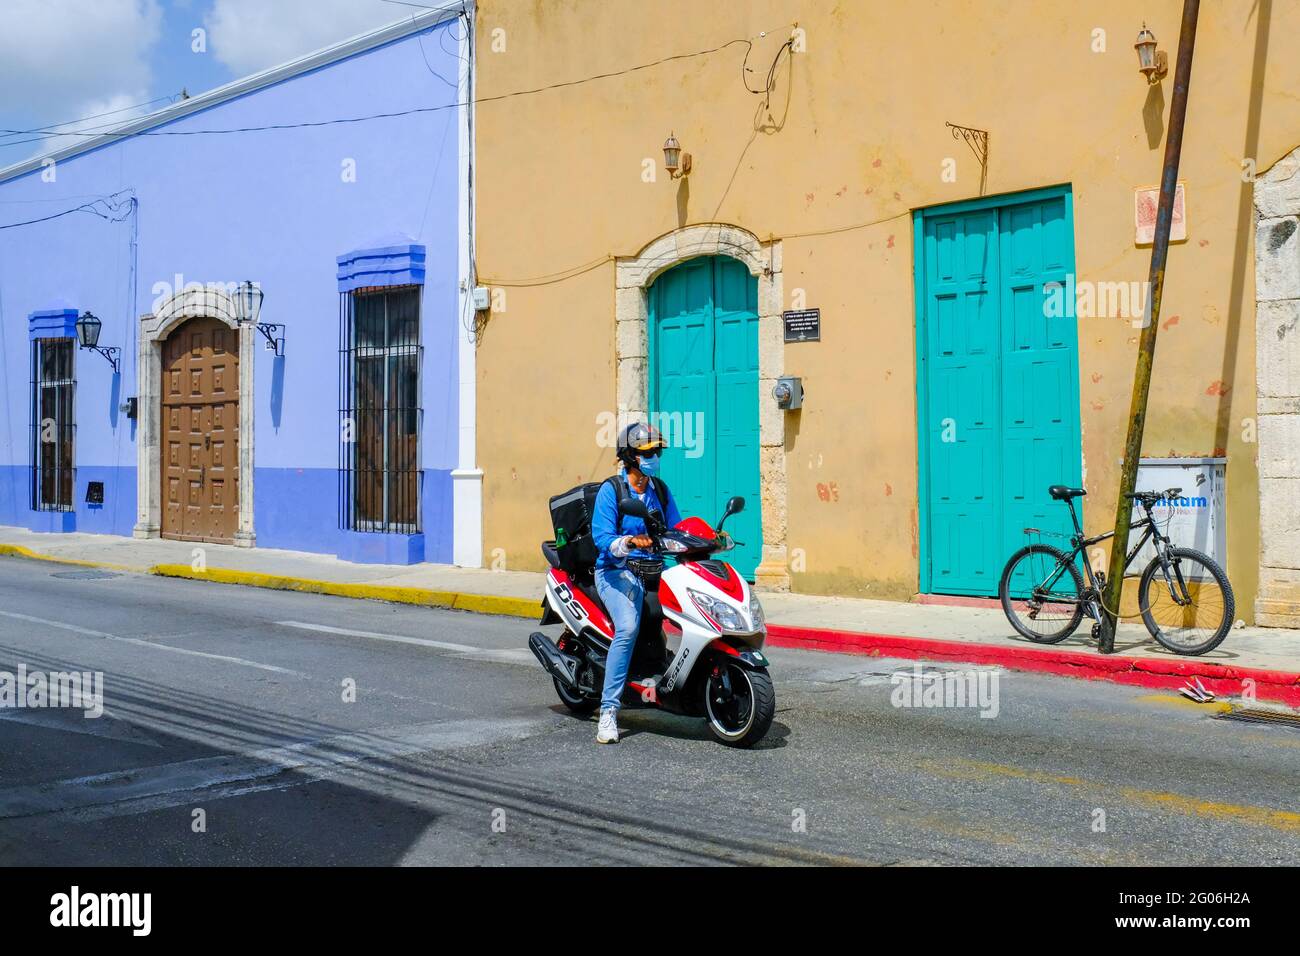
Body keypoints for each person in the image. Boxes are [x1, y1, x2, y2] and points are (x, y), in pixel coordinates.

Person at [589, 422, 681, 744]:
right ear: (630, 457)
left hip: (655, 572)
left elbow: (676, 528)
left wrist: (706, 539)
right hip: (615, 572)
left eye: (656, 451)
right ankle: (608, 712)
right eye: (647, 453)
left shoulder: (660, 490)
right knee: (627, 628)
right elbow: (602, 538)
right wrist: (629, 542)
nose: (654, 457)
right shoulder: (611, 491)